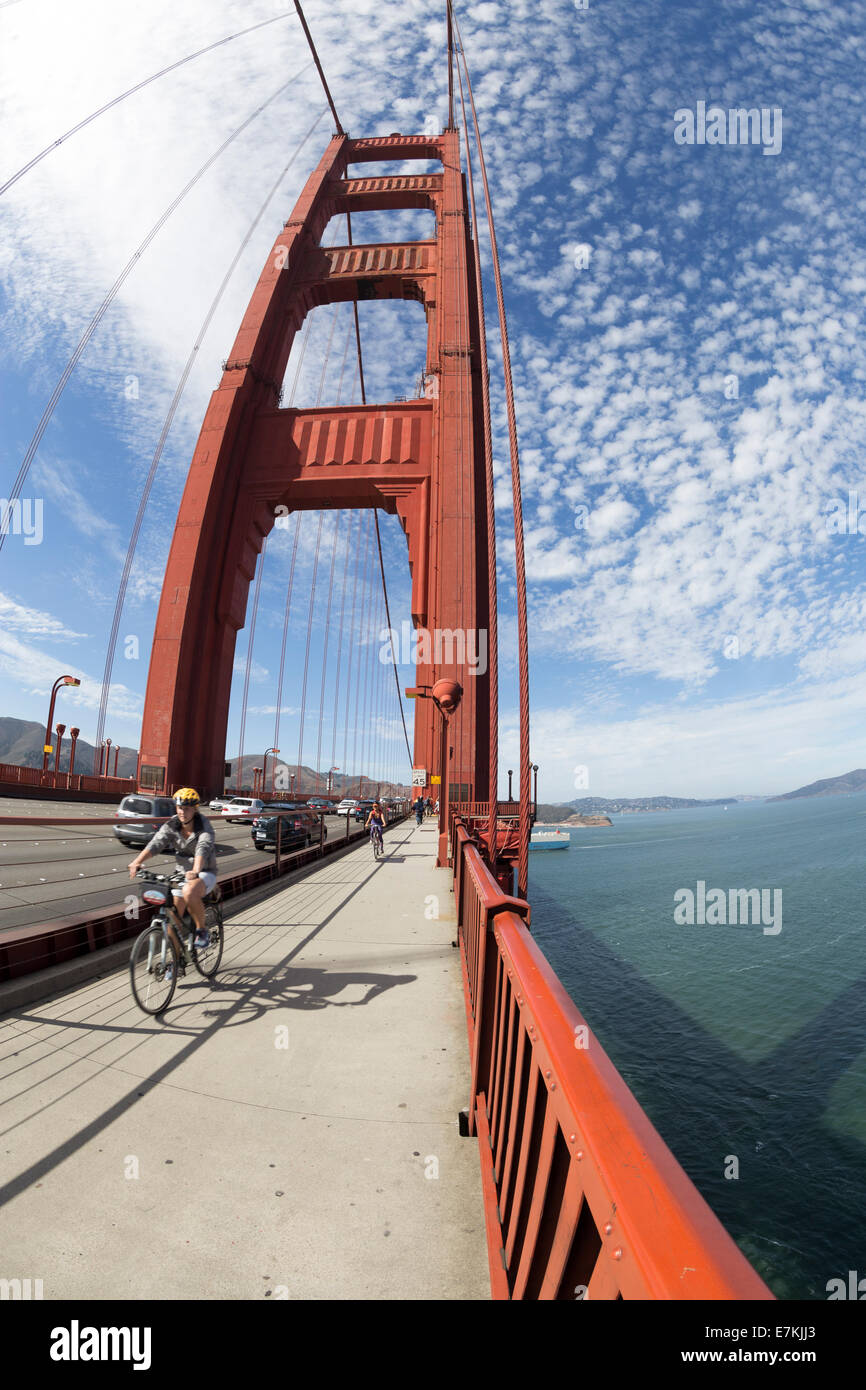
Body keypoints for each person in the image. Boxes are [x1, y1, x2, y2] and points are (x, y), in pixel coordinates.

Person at [128, 787, 217, 952]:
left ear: (195, 809)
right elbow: (157, 842)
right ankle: (176, 961)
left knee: (190, 891)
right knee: (171, 920)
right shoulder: (173, 824)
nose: (183, 812)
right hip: (182, 874)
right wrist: (137, 862)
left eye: (187, 808)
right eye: (180, 808)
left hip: (205, 872)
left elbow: (203, 848)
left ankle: (202, 932)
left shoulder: (203, 825)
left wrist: (196, 871)